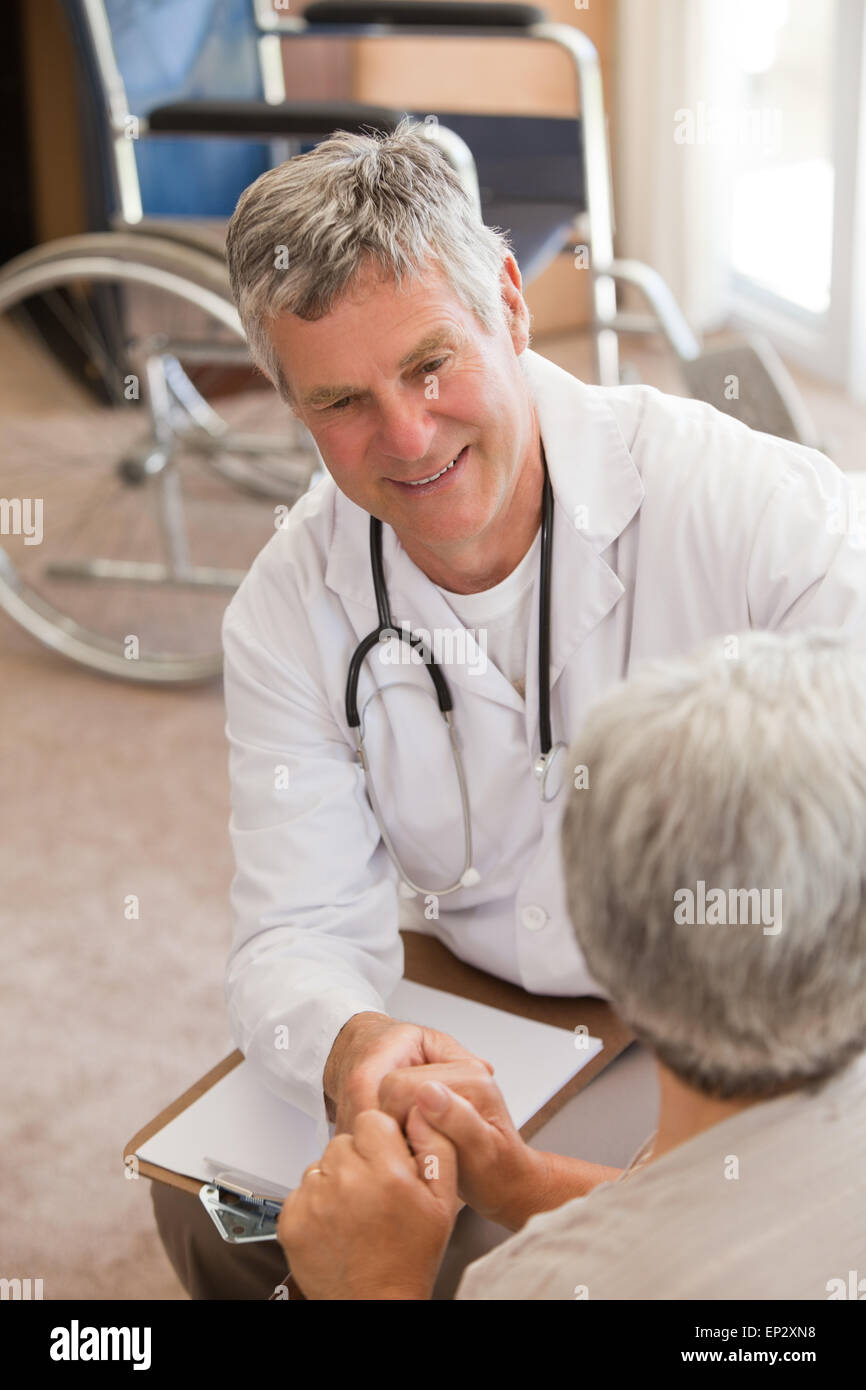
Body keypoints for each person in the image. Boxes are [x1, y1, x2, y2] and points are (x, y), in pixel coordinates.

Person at [151, 117, 866, 1297]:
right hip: (475, 1019)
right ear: (284, 402)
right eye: (340, 402)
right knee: (218, 1226)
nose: (406, 437)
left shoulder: (757, 510)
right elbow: (292, 932)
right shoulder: (286, 607)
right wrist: (353, 1047)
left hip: (731, 1023)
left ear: (509, 301)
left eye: (431, 366)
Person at [277, 630, 866, 1300]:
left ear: (599, 942)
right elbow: (740, 1213)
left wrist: (378, 1283)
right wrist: (522, 1182)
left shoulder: (540, 1285)